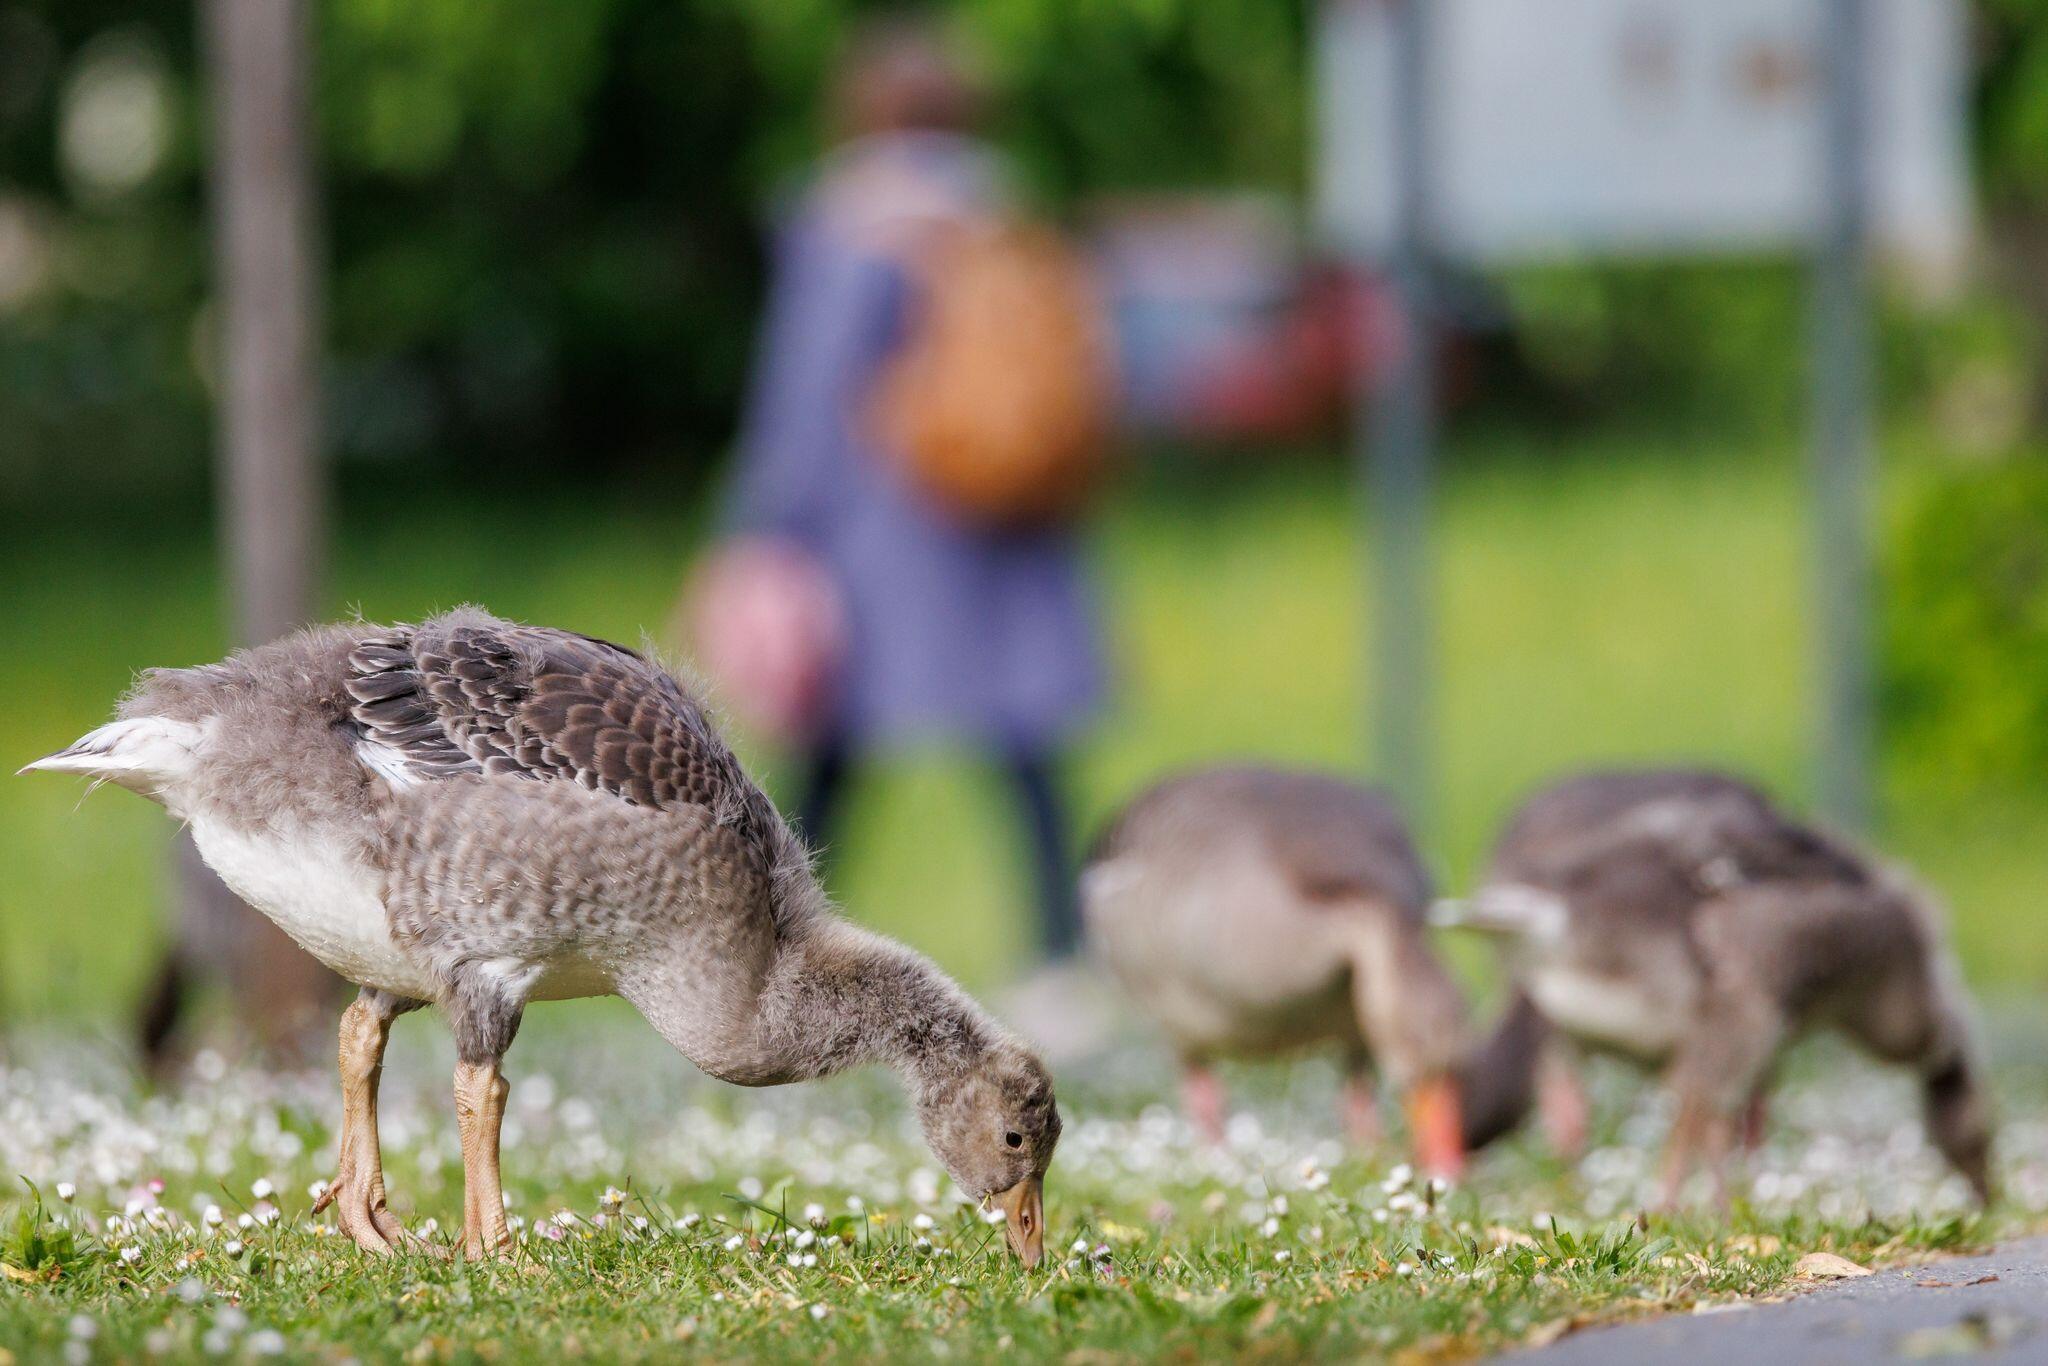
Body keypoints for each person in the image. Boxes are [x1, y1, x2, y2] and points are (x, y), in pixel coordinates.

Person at [720, 20, 1107, 988]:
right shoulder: (1002, 213)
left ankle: (783, 950)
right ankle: (1059, 955)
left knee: (831, 743)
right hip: (1007, 516)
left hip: (880, 528)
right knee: (1022, 748)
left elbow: (805, 393)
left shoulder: (847, 224)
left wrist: (761, 522)